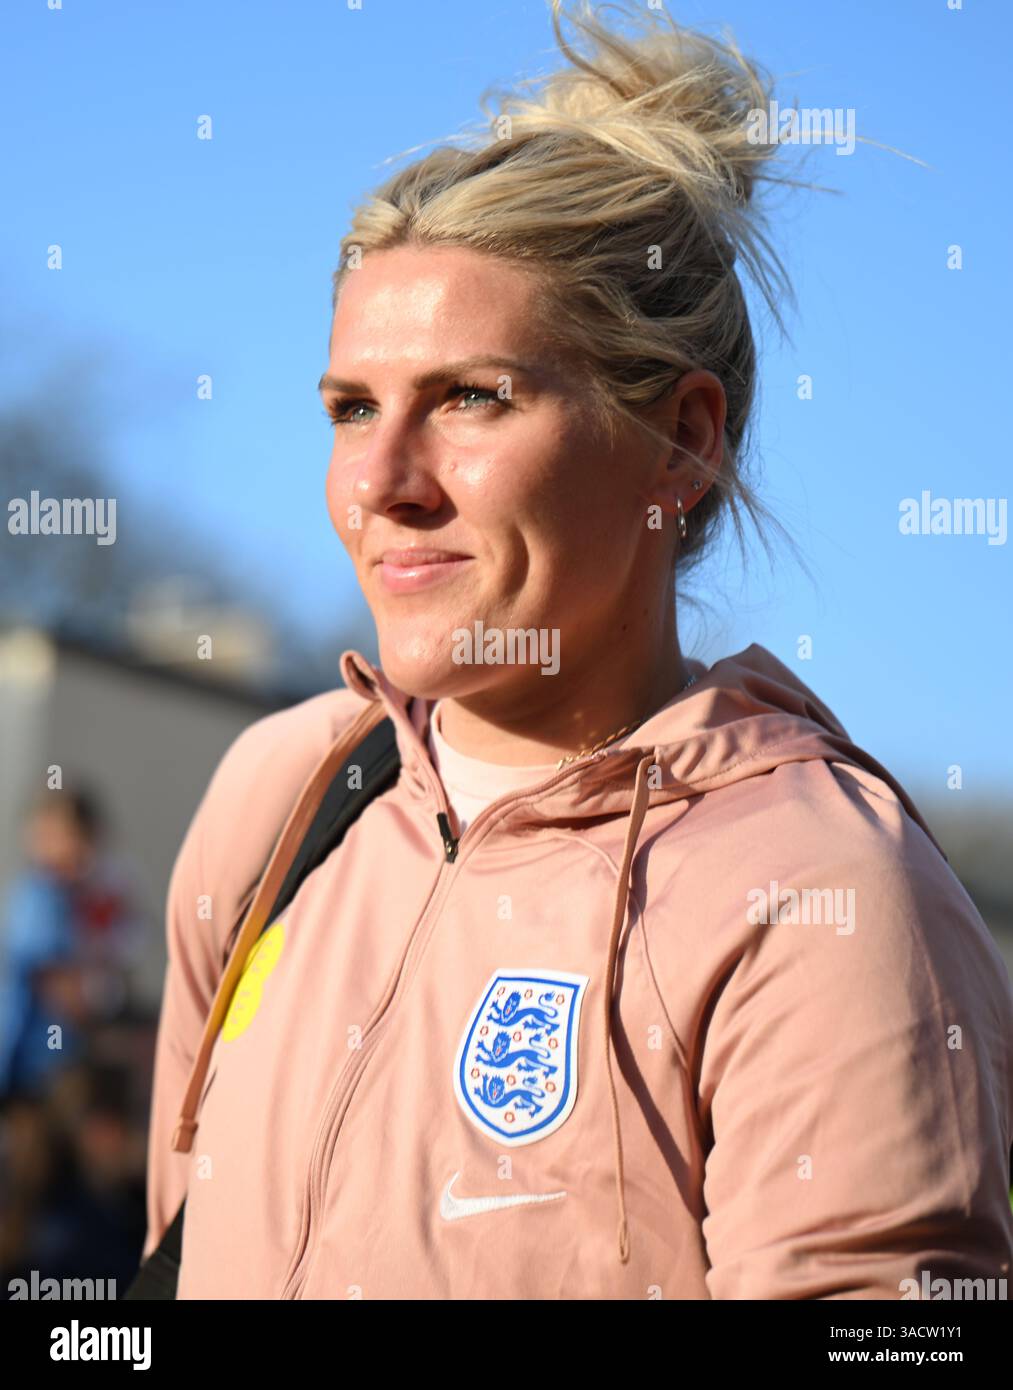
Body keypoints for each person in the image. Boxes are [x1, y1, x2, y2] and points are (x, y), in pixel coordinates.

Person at [140, 0, 1013, 1299]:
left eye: (470, 398)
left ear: (684, 441)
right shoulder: (282, 794)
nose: (379, 479)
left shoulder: (821, 889)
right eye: (351, 407)